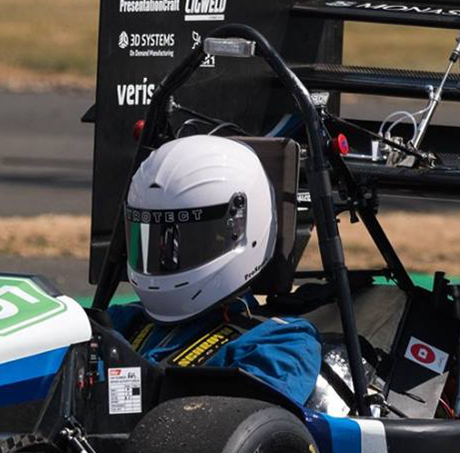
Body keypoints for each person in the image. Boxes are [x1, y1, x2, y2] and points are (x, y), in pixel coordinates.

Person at [106, 135, 323, 405]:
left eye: (184, 240)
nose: (165, 254)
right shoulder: (122, 322)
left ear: (237, 229)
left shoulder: (278, 341)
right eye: (153, 237)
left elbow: (243, 429)